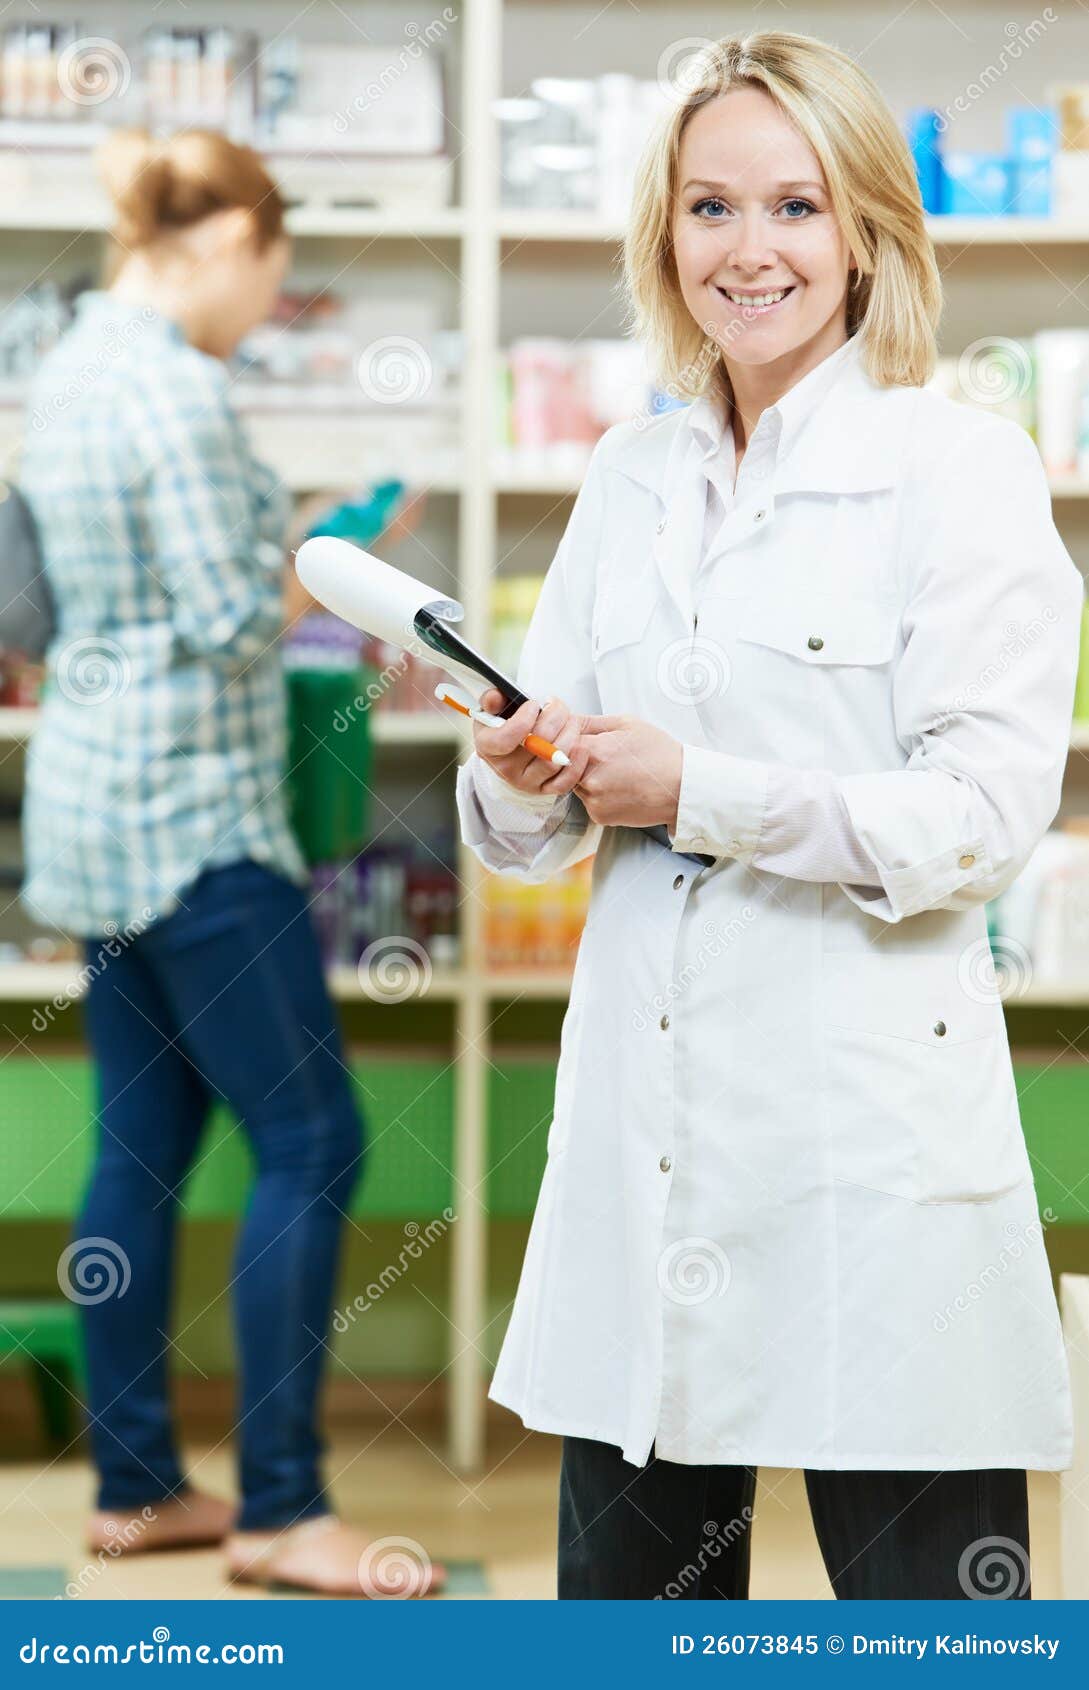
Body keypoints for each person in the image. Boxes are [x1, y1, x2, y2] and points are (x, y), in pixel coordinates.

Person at [456, 31, 1082, 1600]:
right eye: (710, 207)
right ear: (664, 234)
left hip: (862, 1142)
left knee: (930, 1625)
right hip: (650, 1140)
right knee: (629, 1624)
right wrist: (518, 775)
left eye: (795, 206)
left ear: (866, 231)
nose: (750, 249)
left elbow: (982, 814)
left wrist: (702, 792)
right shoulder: (629, 474)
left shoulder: (958, 468)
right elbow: (538, 818)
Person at [20, 128, 444, 1599]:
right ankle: (281, 1510)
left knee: (136, 1146)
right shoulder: (182, 391)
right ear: (223, 243)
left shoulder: (68, 368)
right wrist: (327, 558)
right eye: (270, 275)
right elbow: (227, 620)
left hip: (91, 810)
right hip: (196, 820)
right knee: (314, 1140)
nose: (263, 308)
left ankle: (137, 1487)